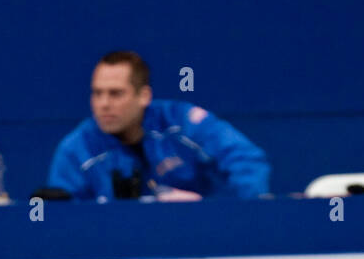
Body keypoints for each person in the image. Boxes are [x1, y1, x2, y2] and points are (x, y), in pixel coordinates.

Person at [45, 51, 270, 201]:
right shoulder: (77, 148)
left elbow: (246, 160)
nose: (104, 104)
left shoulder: (182, 123)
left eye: (115, 94)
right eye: (97, 93)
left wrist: (230, 216)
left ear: (144, 96)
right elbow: (64, 216)